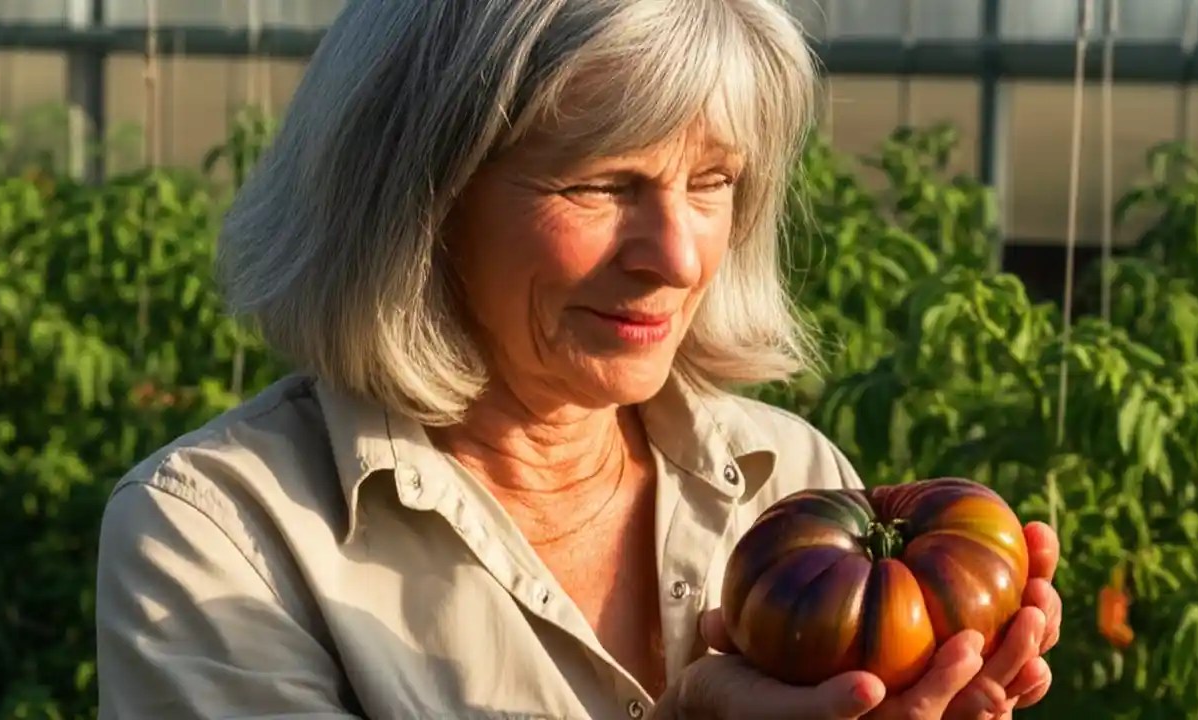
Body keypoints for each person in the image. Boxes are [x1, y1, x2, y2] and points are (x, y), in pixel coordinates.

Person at [94, 1, 1062, 718]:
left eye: (712, 181)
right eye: (602, 185)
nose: (677, 257)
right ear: (416, 206)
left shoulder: (788, 478)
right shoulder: (224, 535)